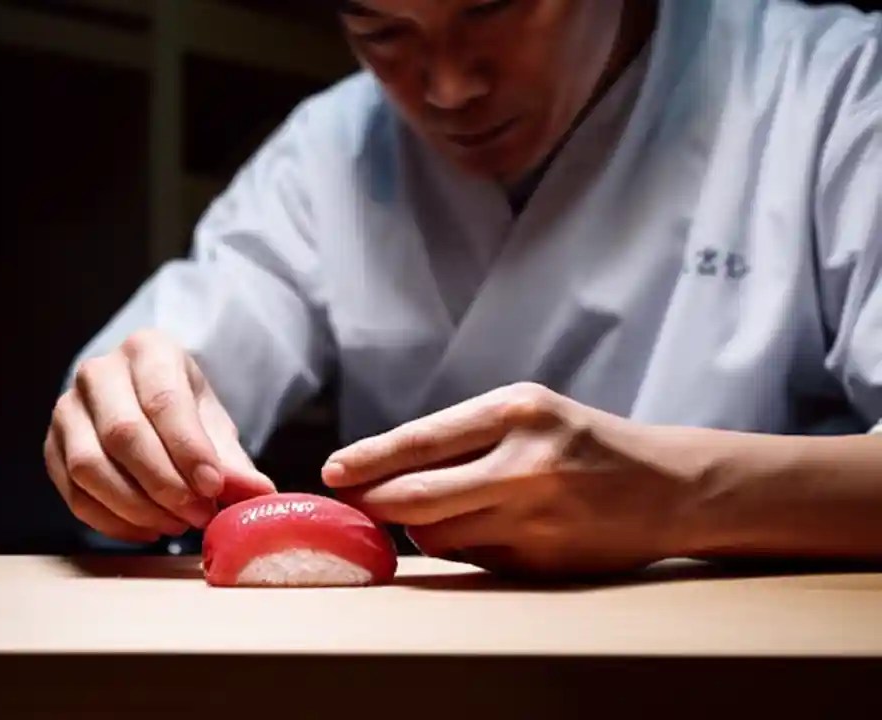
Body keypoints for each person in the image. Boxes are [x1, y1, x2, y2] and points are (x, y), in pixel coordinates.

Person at [44, 0, 882, 577]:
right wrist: (125, 431)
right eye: (382, 30)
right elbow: (177, 352)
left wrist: (685, 498)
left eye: (496, 6)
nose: (448, 89)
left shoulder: (833, 89)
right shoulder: (331, 148)